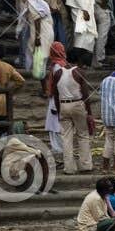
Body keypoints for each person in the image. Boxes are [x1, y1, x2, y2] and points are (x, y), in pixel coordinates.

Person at [45, 44, 92, 174]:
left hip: (63, 105)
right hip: (77, 104)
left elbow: (55, 93)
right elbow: (85, 94)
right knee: (83, 135)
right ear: (78, 59)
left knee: (66, 137)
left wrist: (60, 110)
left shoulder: (58, 72)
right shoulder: (79, 72)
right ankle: (85, 164)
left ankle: (69, 167)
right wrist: (89, 113)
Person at [66, 0, 99, 66]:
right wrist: (84, 9)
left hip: (86, 12)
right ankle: (74, 62)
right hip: (81, 11)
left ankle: (81, 63)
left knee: (88, 38)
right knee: (81, 37)